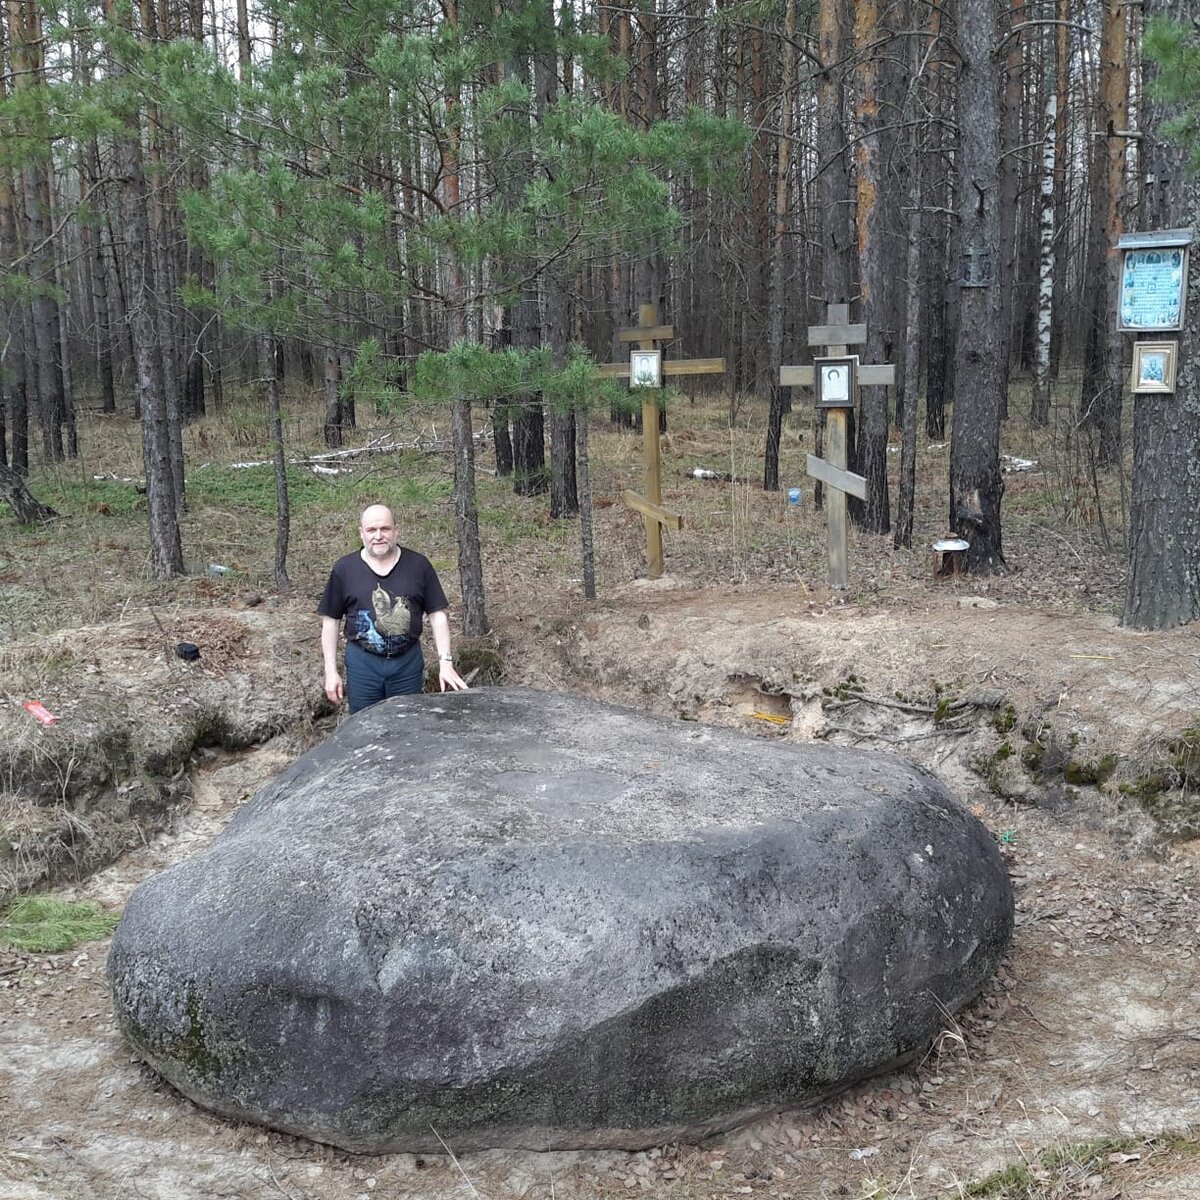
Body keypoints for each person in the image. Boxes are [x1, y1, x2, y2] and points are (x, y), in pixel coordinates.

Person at [318, 504, 468, 712]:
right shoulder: (344, 569)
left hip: (407, 664)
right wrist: (331, 671)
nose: (378, 536)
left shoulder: (418, 565)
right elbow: (330, 621)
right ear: (361, 533)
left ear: (396, 529)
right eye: (371, 530)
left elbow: (437, 614)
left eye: (385, 529)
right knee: (364, 727)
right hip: (363, 664)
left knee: (406, 728)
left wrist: (445, 662)